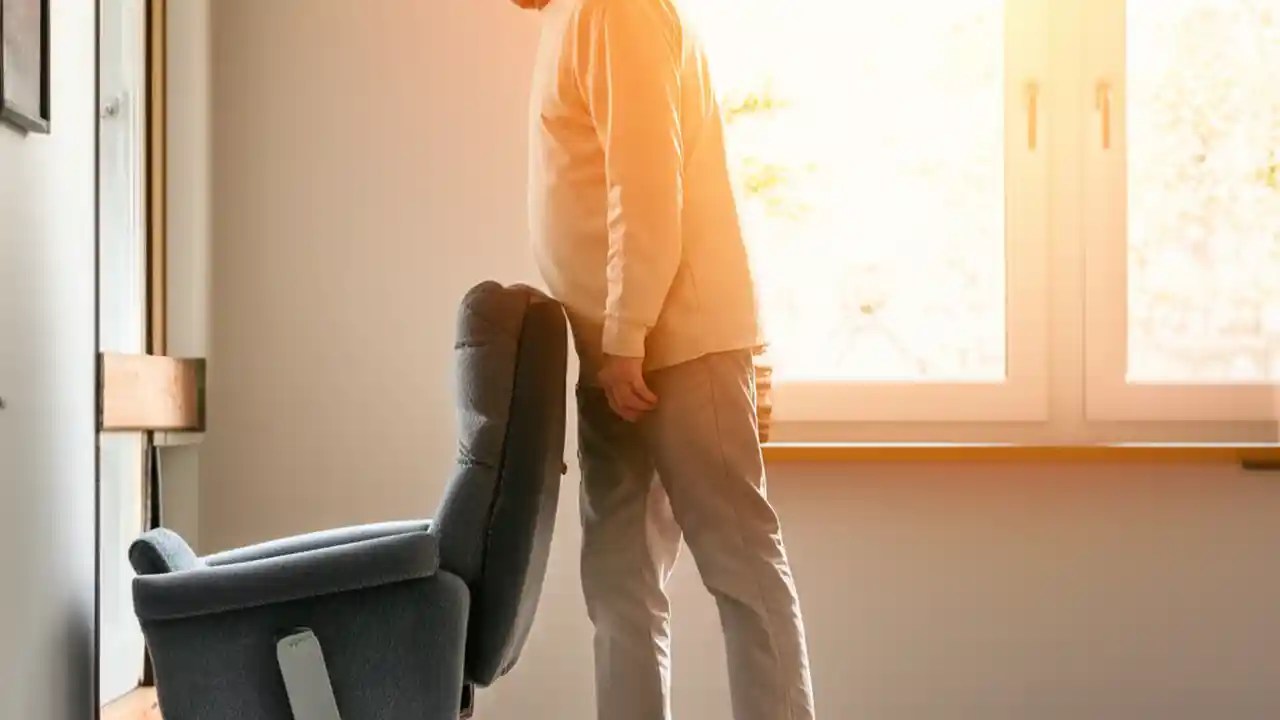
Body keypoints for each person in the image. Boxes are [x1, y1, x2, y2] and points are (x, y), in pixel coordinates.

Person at [517, 0, 816, 717]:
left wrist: (627, 335)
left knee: (740, 568)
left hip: (672, 348)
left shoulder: (614, 11)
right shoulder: (573, 17)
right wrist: (610, 347)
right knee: (619, 581)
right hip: (614, 355)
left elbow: (646, 180)